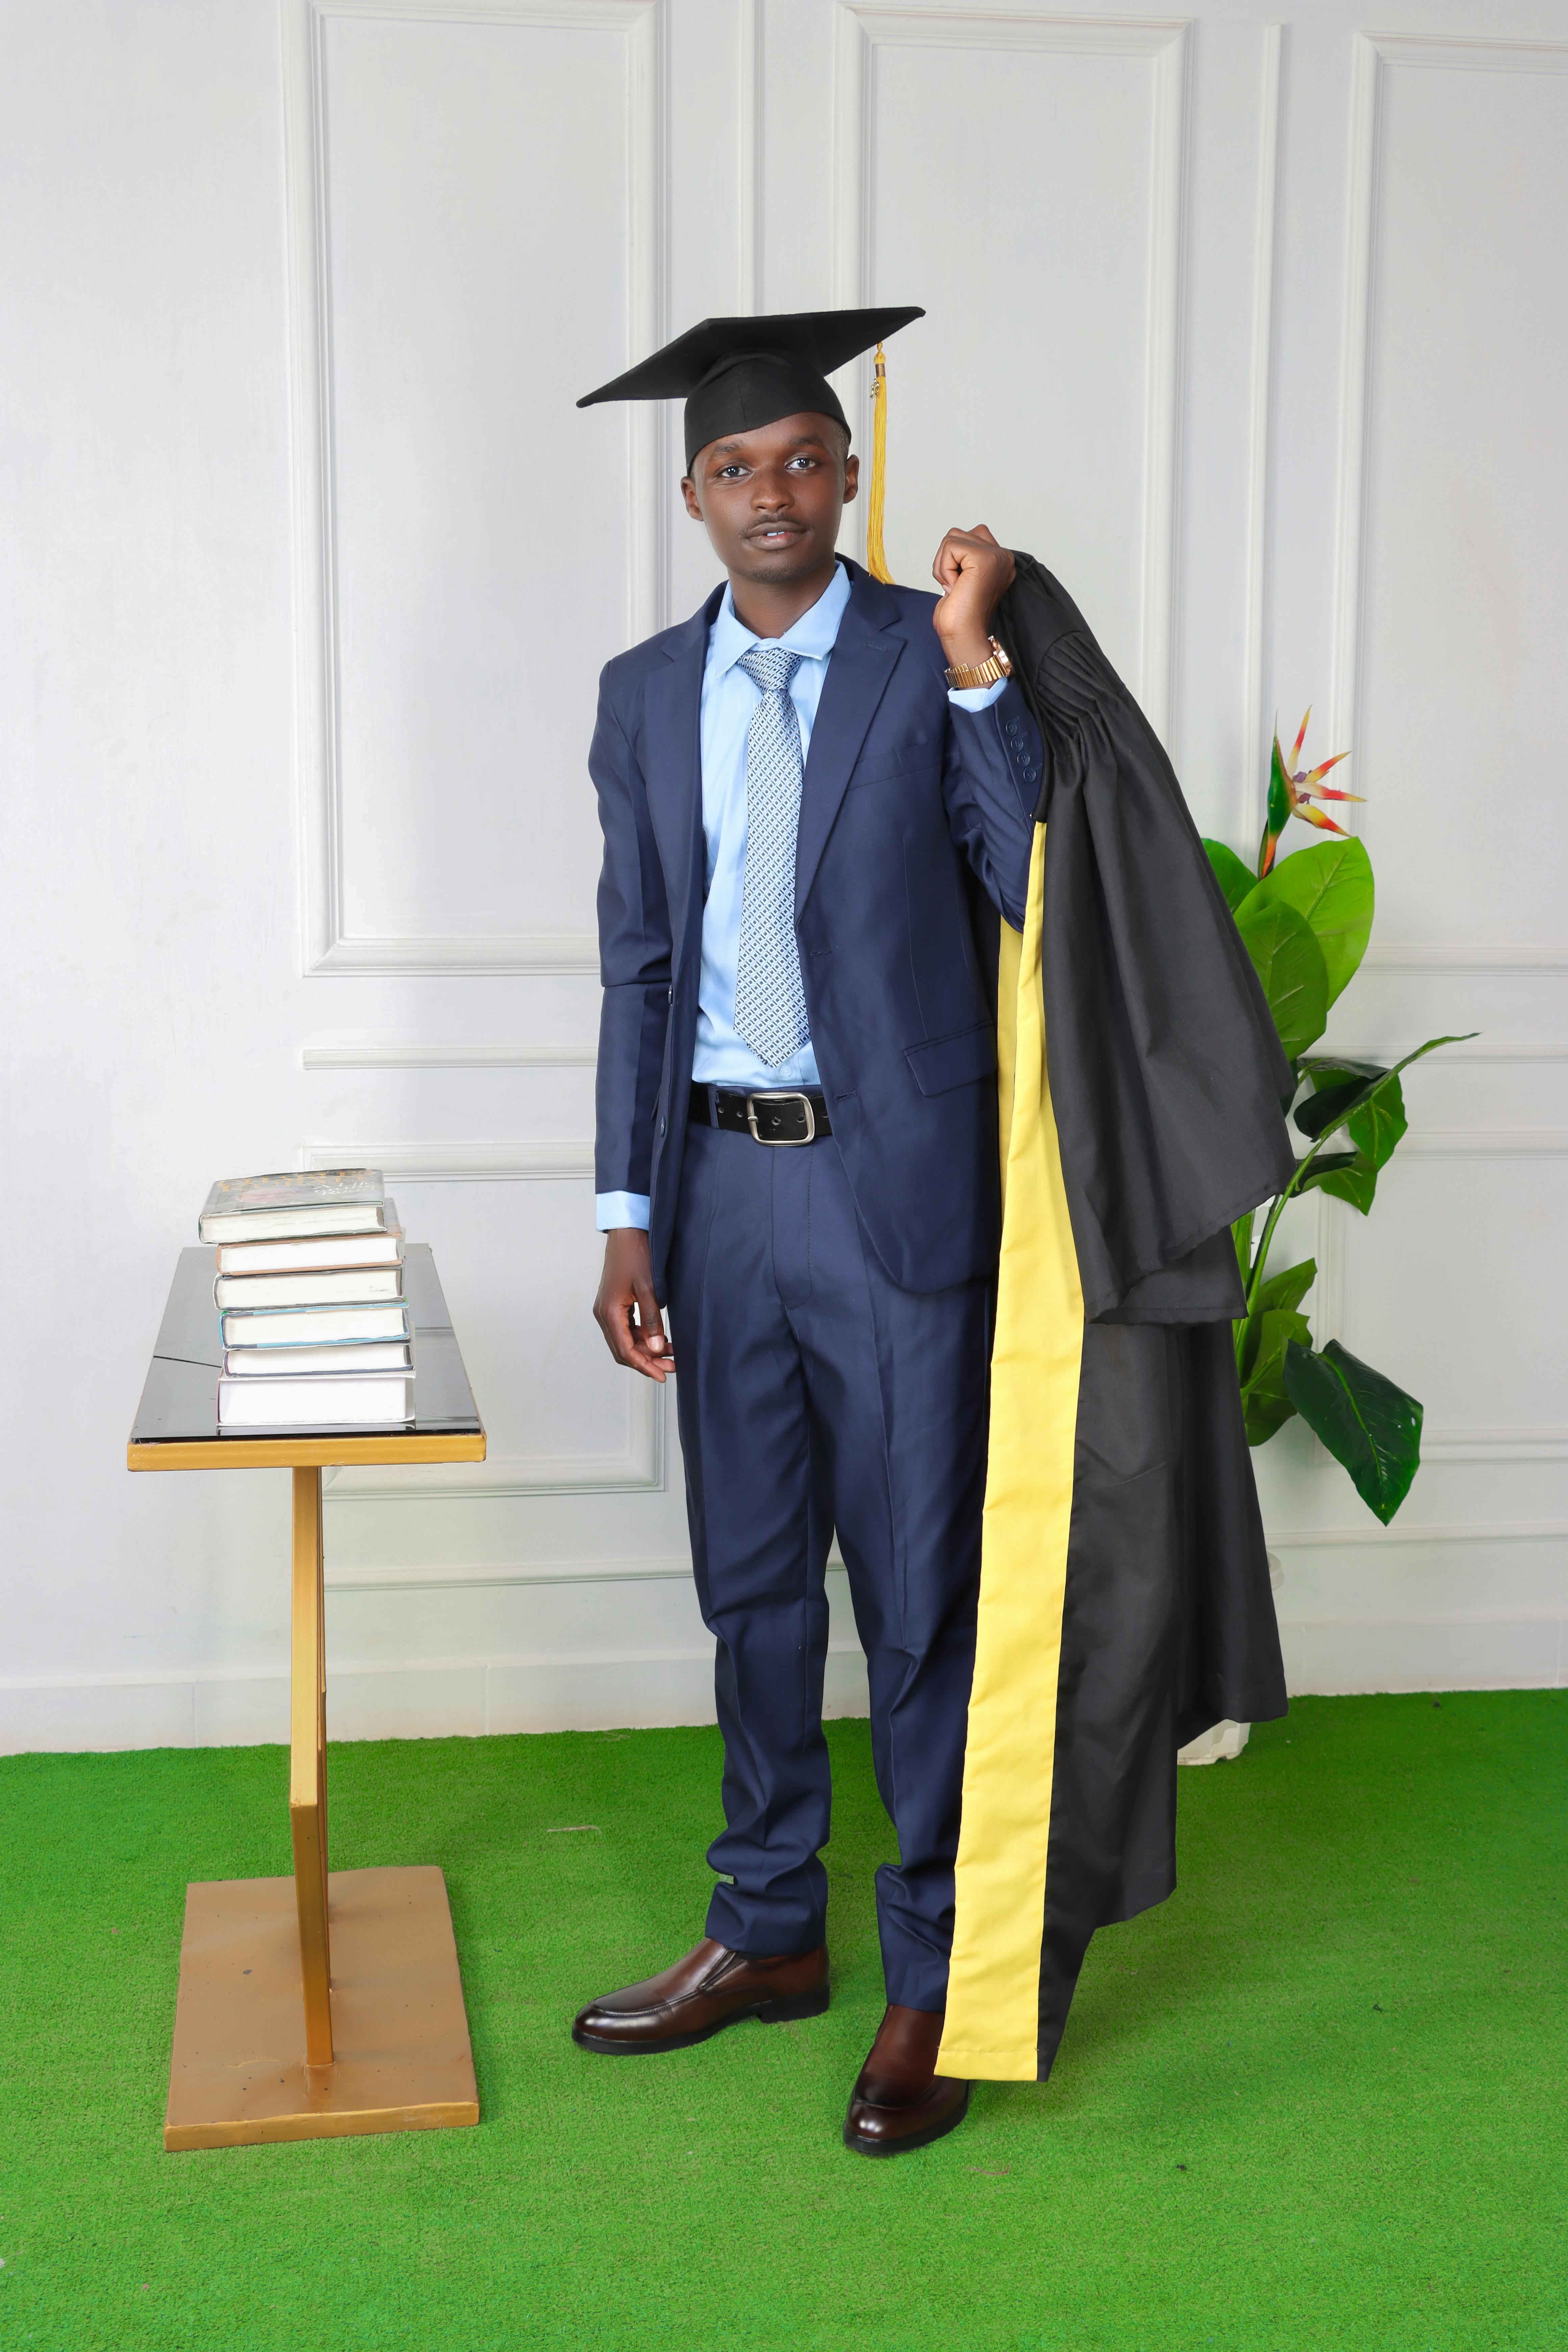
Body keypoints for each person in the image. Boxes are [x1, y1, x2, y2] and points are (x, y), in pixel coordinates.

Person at [574, 307, 1041, 2155]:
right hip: (717, 1197)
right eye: (734, 467)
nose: (771, 492)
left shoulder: (929, 666)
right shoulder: (634, 695)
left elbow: (1028, 879)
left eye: (801, 460)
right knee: (753, 1589)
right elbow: (636, 963)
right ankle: (768, 1930)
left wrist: (983, 666)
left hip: (892, 1190)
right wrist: (628, 1214)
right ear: (691, 493)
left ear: (849, 475)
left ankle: (925, 1973)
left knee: (916, 1600)